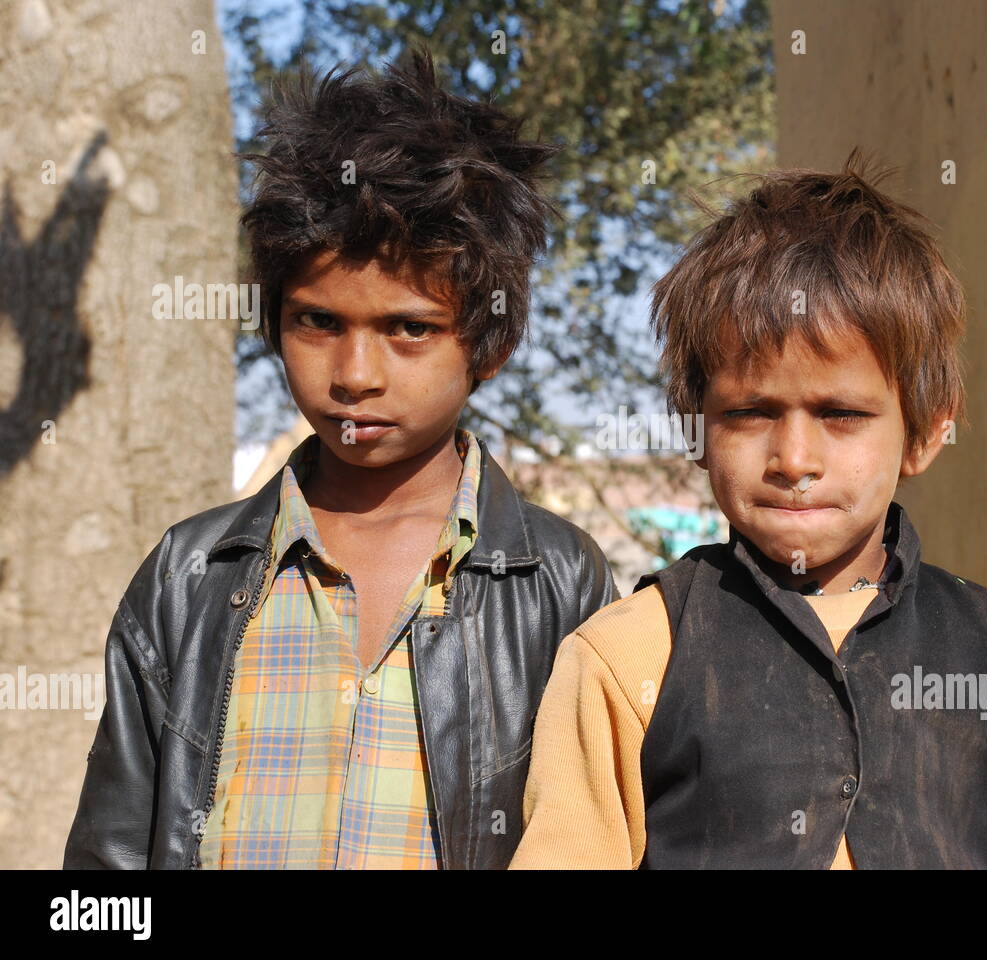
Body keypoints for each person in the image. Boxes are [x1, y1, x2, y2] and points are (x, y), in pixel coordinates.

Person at [510, 151, 987, 869]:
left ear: (929, 430)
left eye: (841, 414)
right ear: (695, 427)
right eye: (749, 413)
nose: (794, 459)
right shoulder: (628, 655)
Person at [64, 51, 617, 870]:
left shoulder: (557, 584)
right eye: (316, 321)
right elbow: (109, 861)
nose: (355, 375)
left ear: (491, 343)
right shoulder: (189, 576)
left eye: (409, 328)